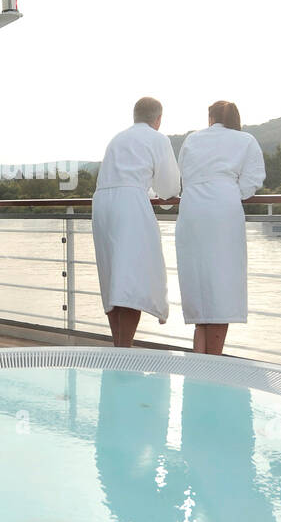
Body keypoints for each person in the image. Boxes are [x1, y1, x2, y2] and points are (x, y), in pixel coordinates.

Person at [175, 99, 265, 355]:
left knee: (199, 282)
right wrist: (225, 190)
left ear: (211, 118)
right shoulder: (245, 140)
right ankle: (213, 363)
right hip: (222, 211)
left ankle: (199, 363)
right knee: (222, 284)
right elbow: (251, 182)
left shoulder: (192, 140)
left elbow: (184, 173)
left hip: (191, 209)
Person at [92, 97, 181, 347]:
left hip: (102, 204)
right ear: (158, 119)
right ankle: (124, 349)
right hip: (129, 206)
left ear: (134, 116)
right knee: (131, 277)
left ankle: (119, 346)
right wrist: (159, 197)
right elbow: (169, 188)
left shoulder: (117, 139)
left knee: (112, 276)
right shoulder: (158, 139)